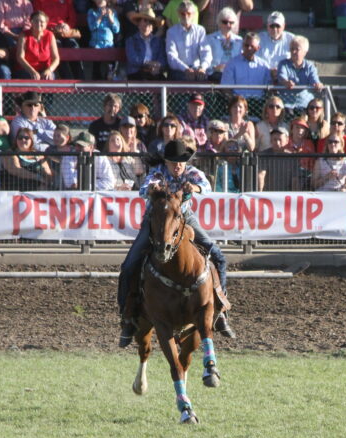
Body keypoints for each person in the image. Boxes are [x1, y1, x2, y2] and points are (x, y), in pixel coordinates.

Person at [118, 138, 234, 346]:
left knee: (218, 256)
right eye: (173, 161)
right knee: (129, 266)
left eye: (181, 161)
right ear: (166, 162)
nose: (178, 165)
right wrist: (153, 189)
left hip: (185, 219)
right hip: (156, 223)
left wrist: (196, 189)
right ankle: (127, 316)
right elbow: (143, 190)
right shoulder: (157, 174)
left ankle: (220, 308)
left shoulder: (191, 173)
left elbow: (206, 185)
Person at [276, 35, 324, 111]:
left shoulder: (310, 66)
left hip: (305, 105)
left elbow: (314, 80)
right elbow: (281, 77)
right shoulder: (283, 64)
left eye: (297, 49)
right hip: (286, 106)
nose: (293, 52)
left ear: (305, 52)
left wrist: (317, 84)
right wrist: (286, 82)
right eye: (292, 49)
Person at [166, 1, 210, 81]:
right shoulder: (171, 32)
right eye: (183, 14)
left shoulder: (200, 30)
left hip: (197, 70)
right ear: (178, 14)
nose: (186, 16)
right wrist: (186, 69)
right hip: (179, 71)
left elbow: (206, 52)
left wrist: (203, 67)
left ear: (193, 14)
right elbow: (171, 56)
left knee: (205, 78)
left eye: (189, 13)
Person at [220, 31, 271, 100]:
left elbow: (269, 88)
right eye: (246, 45)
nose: (249, 48)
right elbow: (225, 88)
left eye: (252, 46)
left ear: (258, 48)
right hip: (238, 103)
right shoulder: (232, 64)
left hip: (259, 103)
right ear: (242, 45)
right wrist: (233, 103)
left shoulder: (264, 66)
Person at [15, 10, 60, 80]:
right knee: (30, 77)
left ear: (46, 24)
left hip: (45, 69)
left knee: (49, 77)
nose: (39, 24)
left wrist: (49, 70)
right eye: (36, 21)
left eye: (42, 22)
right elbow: (20, 57)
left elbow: (56, 58)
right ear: (31, 22)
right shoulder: (23, 35)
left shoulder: (50, 35)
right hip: (27, 69)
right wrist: (32, 71)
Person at [125, 7, 167, 80]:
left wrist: (157, 65)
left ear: (152, 27)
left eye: (150, 22)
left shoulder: (158, 41)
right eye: (144, 20)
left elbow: (162, 59)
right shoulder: (131, 40)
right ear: (139, 24)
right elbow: (133, 59)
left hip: (154, 72)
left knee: (163, 81)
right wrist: (148, 64)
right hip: (137, 72)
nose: (147, 24)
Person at [204, 7, 242, 82]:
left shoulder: (240, 40)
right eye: (225, 22)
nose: (228, 25)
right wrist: (215, 68)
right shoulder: (210, 39)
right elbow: (205, 58)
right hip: (215, 73)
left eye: (231, 23)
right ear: (219, 22)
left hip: (234, 72)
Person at [87, 0, 121, 80]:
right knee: (96, 66)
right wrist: (100, 17)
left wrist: (111, 18)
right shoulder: (92, 12)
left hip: (109, 44)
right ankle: (96, 84)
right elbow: (92, 28)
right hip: (96, 44)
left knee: (112, 65)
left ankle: (110, 79)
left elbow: (117, 30)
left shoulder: (112, 12)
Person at [257, 11, 294, 80]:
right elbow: (255, 60)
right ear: (267, 26)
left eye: (277, 26)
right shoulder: (259, 39)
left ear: (283, 26)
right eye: (272, 26)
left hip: (286, 77)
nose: (275, 29)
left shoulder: (292, 39)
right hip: (263, 75)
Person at [257, 125, 295, 191]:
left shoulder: (292, 158)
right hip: (268, 195)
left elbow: (295, 180)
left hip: (287, 196)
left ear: (287, 140)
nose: (277, 142)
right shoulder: (264, 155)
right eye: (274, 139)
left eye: (280, 140)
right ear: (271, 140)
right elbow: (261, 175)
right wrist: (260, 194)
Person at [286, 117, 315, 190]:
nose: (300, 130)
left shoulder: (309, 143)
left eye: (302, 128)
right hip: (288, 171)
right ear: (292, 130)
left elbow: (312, 160)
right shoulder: (286, 141)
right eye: (297, 127)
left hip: (305, 172)